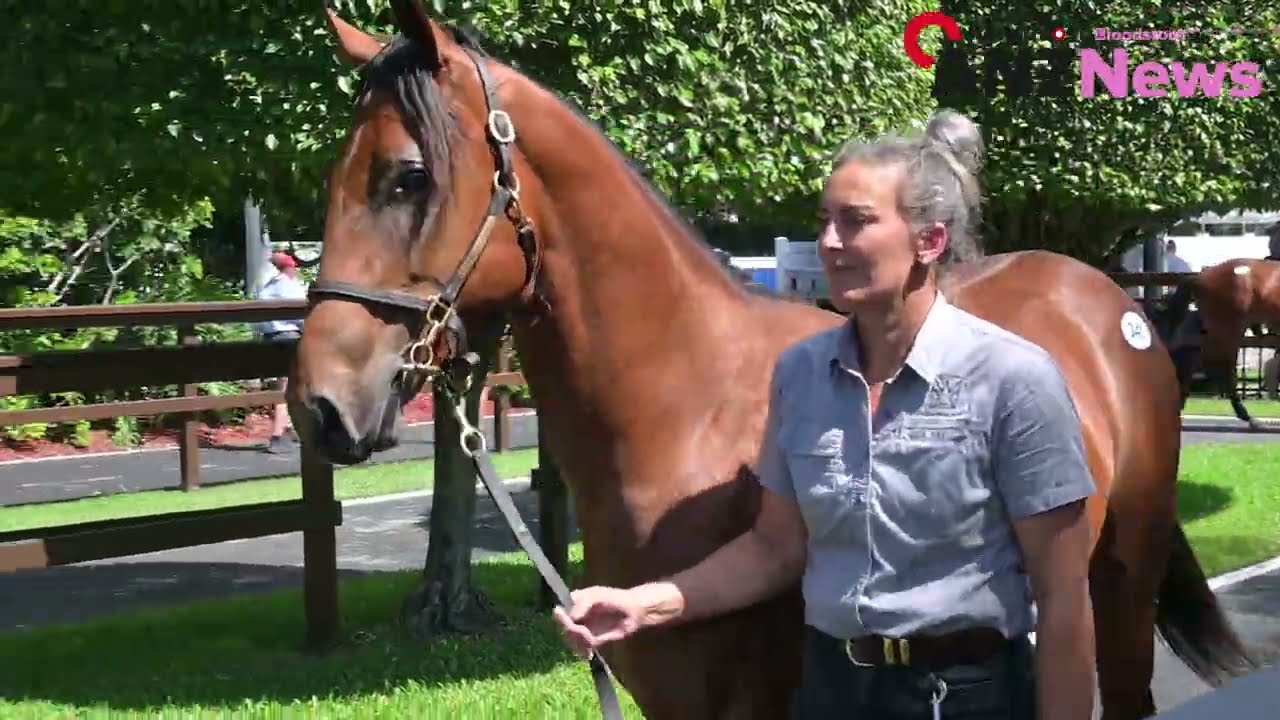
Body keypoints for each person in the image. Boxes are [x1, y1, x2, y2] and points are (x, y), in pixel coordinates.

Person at [553, 110, 1098, 720]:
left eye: (857, 221)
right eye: (826, 222)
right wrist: (643, 604)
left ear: (930, 241)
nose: (831, 243)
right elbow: (773, 548)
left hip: (965, 697)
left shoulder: (1013, 380)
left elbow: (1063, 598)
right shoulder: (800, 376)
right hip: (829, 693)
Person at [255, 251, 307, 454]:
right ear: (291, 268)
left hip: (270, 339)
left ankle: (288, 428)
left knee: (284, 384)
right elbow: (302, 314)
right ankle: (277, 435)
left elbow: (258, 321)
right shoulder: (290, 287)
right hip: (289, 337)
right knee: (287, 386)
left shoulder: (267, 288)